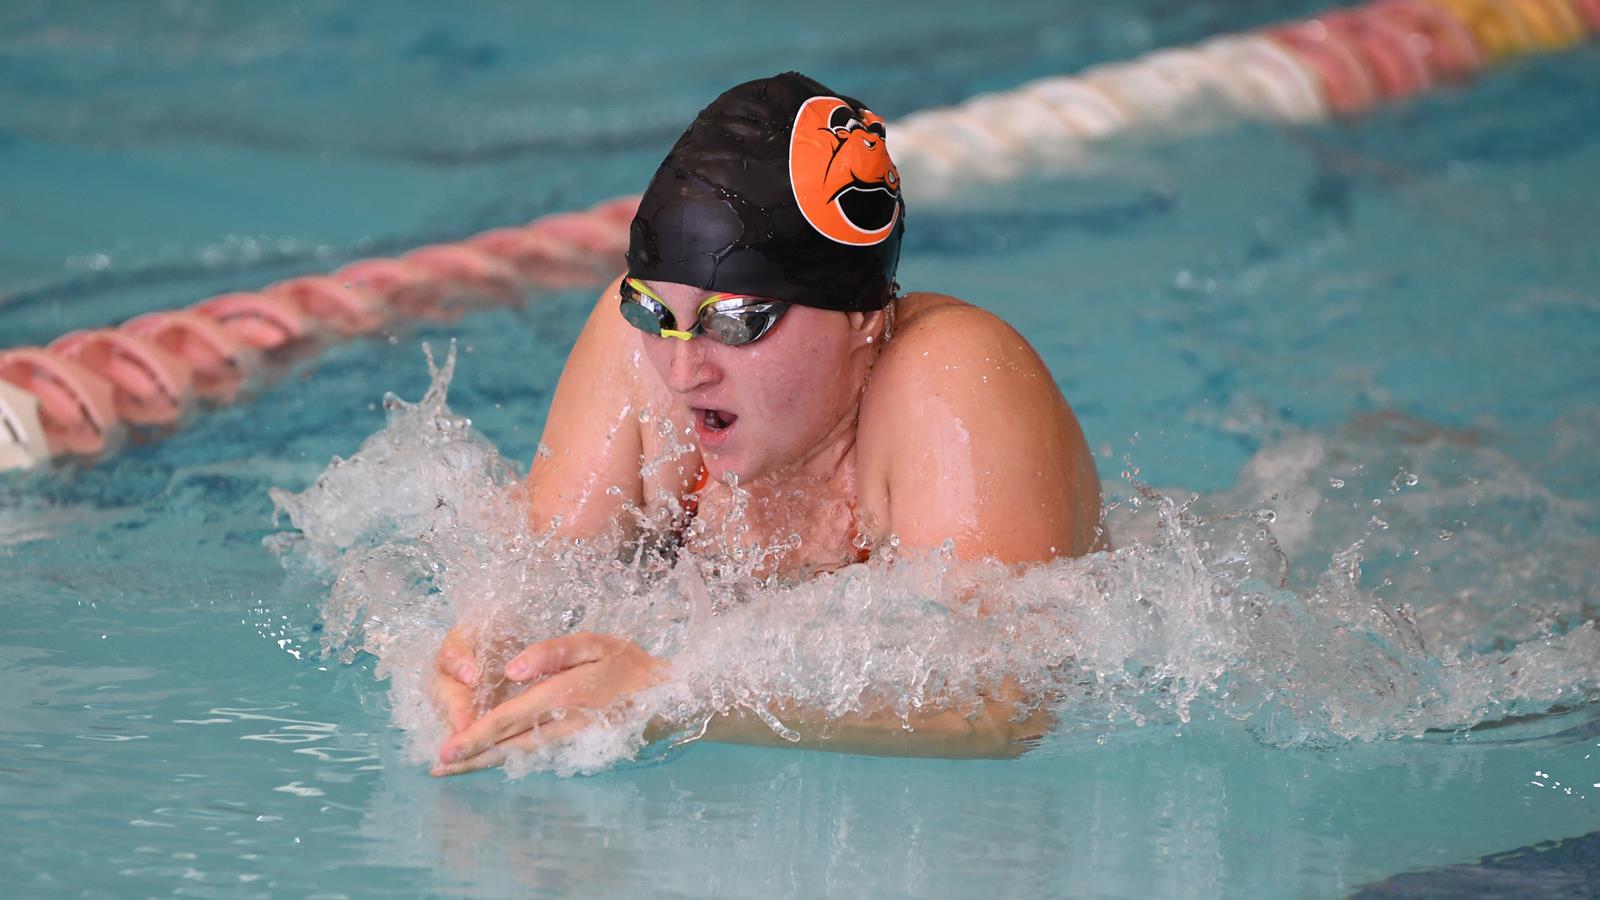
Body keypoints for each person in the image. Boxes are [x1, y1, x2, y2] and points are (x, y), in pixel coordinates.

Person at [429, 72, 1103, 775]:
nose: (683, 372)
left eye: (739, 321)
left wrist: (678, 694)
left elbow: (1006, 703)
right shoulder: (647, 349)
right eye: (652, 311)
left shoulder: (953, 379)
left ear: (860, 316)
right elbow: (540, 567)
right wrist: (486, 650)